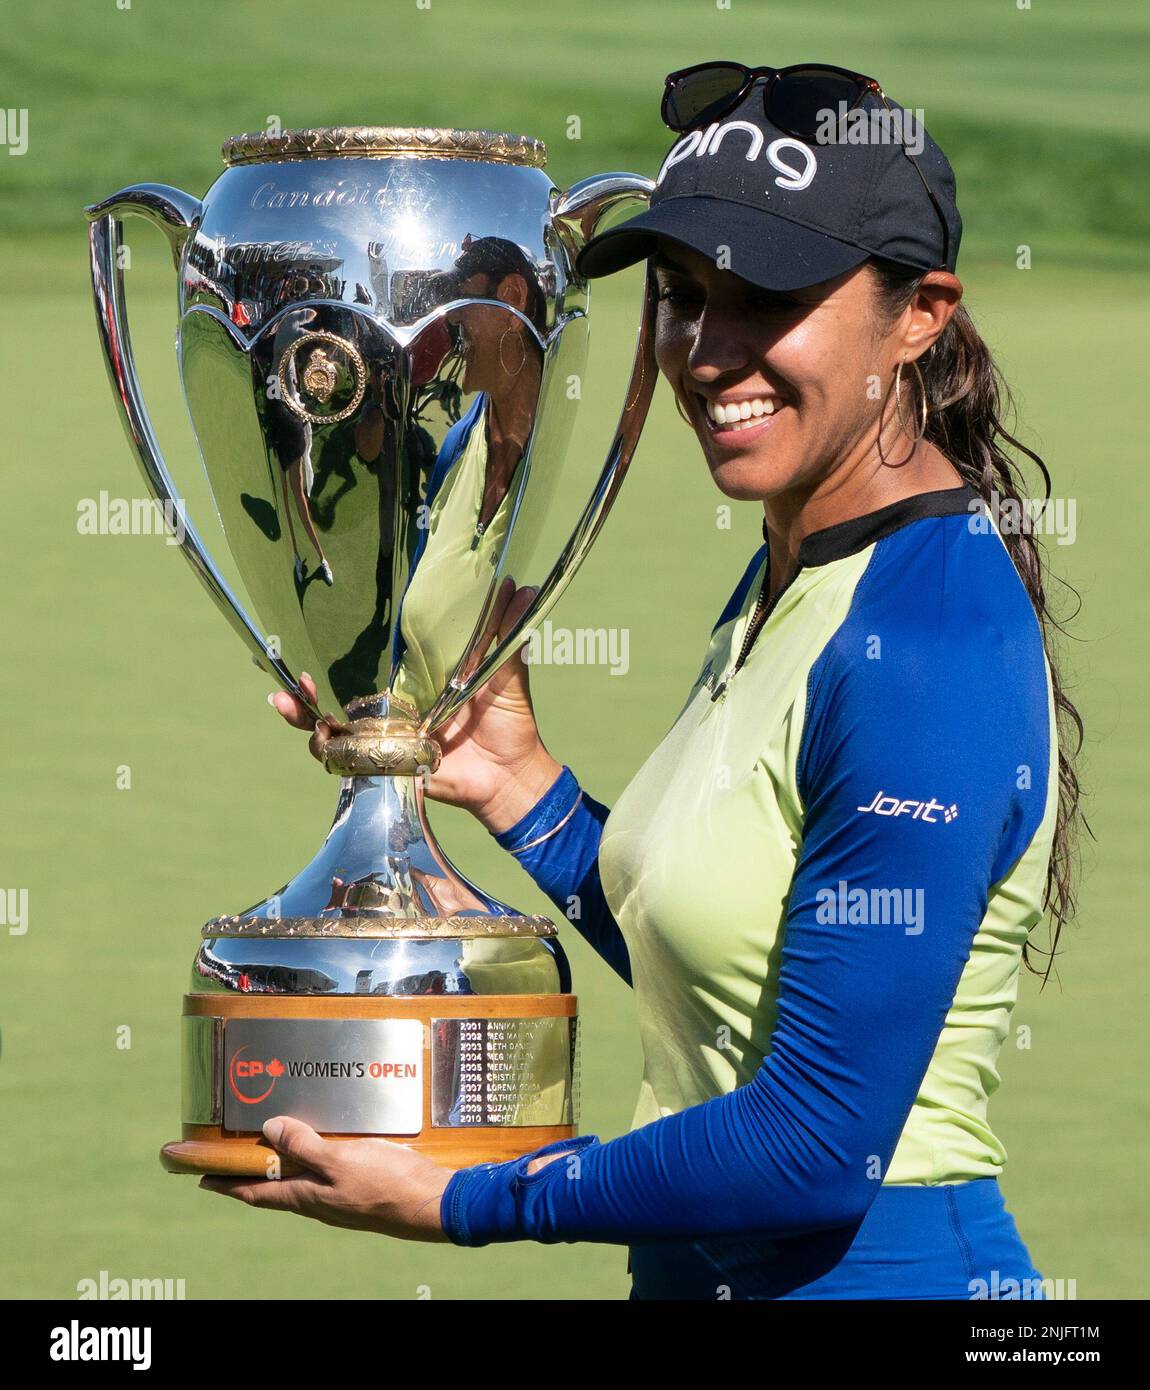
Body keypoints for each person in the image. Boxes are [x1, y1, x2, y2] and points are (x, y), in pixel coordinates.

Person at [205, 62, 1084, 1301]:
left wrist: (464, 1196)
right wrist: (525, 789)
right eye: (681, 295)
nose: (709, 354)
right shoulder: (798, 572)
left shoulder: (923, 640)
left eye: (767, 295)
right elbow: (733, 974)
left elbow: (814, 1147)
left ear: (920, 313)